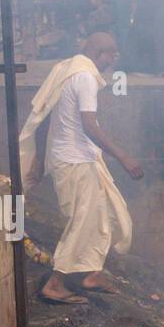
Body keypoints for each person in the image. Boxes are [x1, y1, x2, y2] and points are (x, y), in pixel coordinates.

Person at [23, 33, 142, 305]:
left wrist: (41, 158)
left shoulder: (65, 68)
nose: (112, 60)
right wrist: (123, 156)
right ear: (100, 53)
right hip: (75, 161)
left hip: (75, 158)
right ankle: (55, 284)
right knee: (82, 223)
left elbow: (42, 118)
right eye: (111, 55)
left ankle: (90, 273)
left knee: (101, 215)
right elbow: (89, 125)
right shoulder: (85, 77)